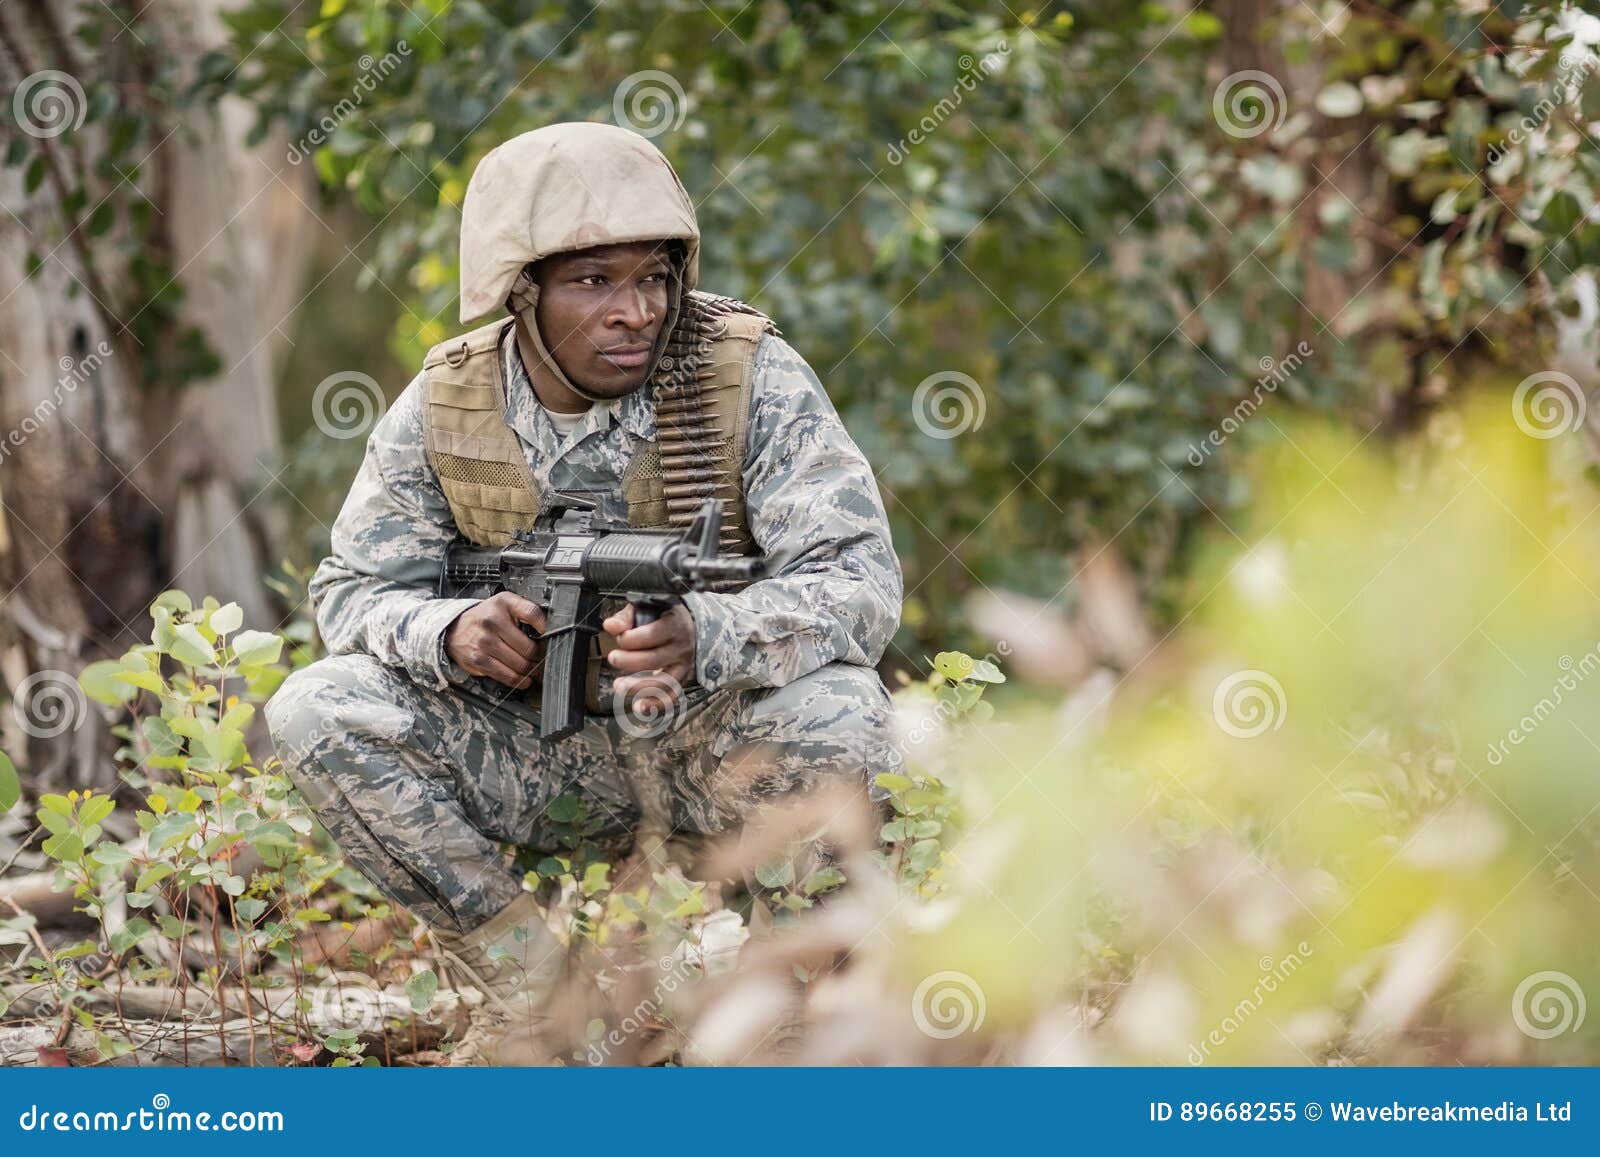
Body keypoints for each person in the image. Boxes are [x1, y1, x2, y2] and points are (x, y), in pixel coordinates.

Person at [265, 122, 902, 1064]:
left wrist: (709, 632)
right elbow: (354, 588)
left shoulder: (741, 374)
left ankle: (798, 1013)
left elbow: (859, 580)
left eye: (652, 277)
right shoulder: (449, 403)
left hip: (711, 740)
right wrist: (450, 631)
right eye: (593, 281)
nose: (634, 311)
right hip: (538, 753)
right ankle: (540, 1002)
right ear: (521, 292)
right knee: (316, 707)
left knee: (845, 711)